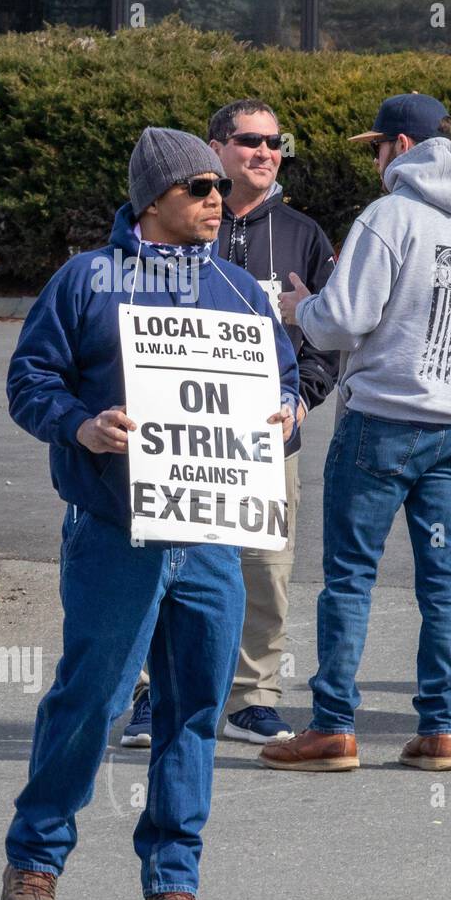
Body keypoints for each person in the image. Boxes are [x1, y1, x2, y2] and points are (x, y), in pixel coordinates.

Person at [0, 128, 299, 900]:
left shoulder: (238, 291)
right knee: (94, 697)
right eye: (200, 188)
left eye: (217, 189)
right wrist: (81, 424)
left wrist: (289, 414)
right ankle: (35, 856)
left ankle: (174, 877)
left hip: (209, 535)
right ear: (153, 200)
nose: (217, 200)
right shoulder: (86, 281)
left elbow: (286, 381)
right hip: (115, 529)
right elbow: (29, 379)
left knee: (194, 704)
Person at [261, 93, 451, 774]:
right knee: (443, 581)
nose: (375, 160)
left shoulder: (388, 217)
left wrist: (299, 307)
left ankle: (333, 727)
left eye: (377, 147)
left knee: (349, 578)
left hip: (381, 421)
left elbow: (344, 319)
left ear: (403, 147)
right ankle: (439, 727)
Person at [119, 100, 337, 748]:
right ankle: (151, 696)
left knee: (265, 568)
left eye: (275, 144)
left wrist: (301, 401)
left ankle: (254, 697)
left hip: (269, 442)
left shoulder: (304, 234)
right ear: (215, 148)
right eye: (249, 141)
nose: (266, 153)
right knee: (164, 561)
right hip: (172, 444)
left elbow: (325, 340)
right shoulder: (168, 231)